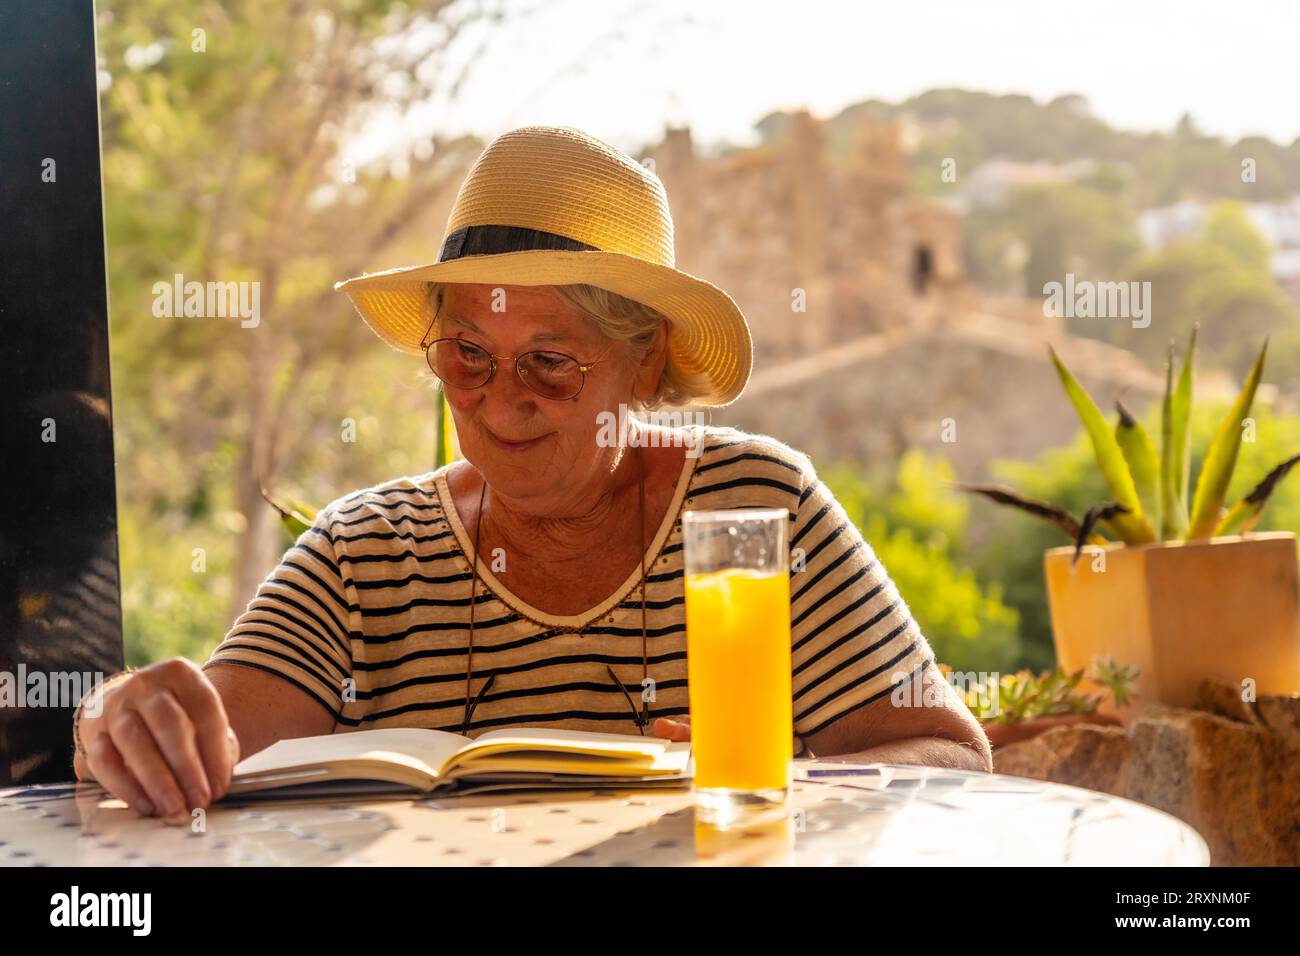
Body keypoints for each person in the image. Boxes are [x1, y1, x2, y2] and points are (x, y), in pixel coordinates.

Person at [73, 126, 990, 818]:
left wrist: (786, 774)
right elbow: (197, 737)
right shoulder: (365, 552)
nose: (499, 400)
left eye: (550, 362)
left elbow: (951, 756)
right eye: (467, 353)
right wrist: (120, 714)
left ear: (644, 362)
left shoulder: (755, 508)